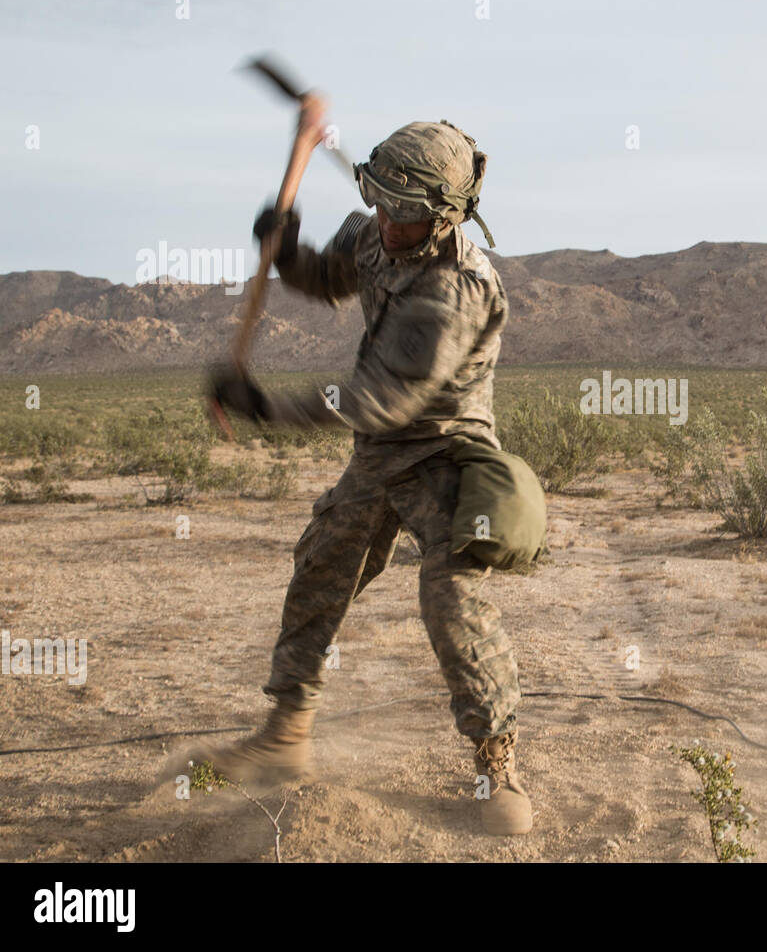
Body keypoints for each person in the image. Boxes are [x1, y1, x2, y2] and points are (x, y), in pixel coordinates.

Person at [200, 96, 531, 836]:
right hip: (381, 453)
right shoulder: (383, 230)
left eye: (403, 213)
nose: (386, 223)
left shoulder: (458, 290)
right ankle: (286, 732)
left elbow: (375, 401)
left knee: (453, 606)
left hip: (444, 449)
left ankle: (496, 762)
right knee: (321, 564)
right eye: (379, 204)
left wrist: (262, 406)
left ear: (444, 216)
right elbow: (329, 277)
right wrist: (286, 250)